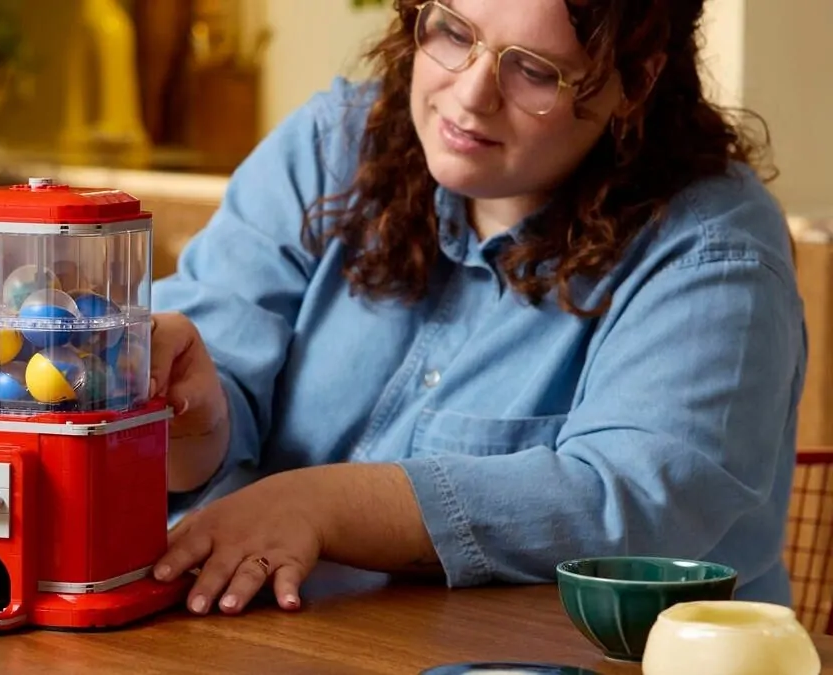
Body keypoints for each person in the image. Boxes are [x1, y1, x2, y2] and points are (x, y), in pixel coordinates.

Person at [146, 0, 806, 618]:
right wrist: (188, 408)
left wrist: (322, 505)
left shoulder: (713, 251)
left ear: (634, 80)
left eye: (535, 71)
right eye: (454, 33)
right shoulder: (332, 146)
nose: (469, 97)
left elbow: (629, 505)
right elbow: (211, 391)